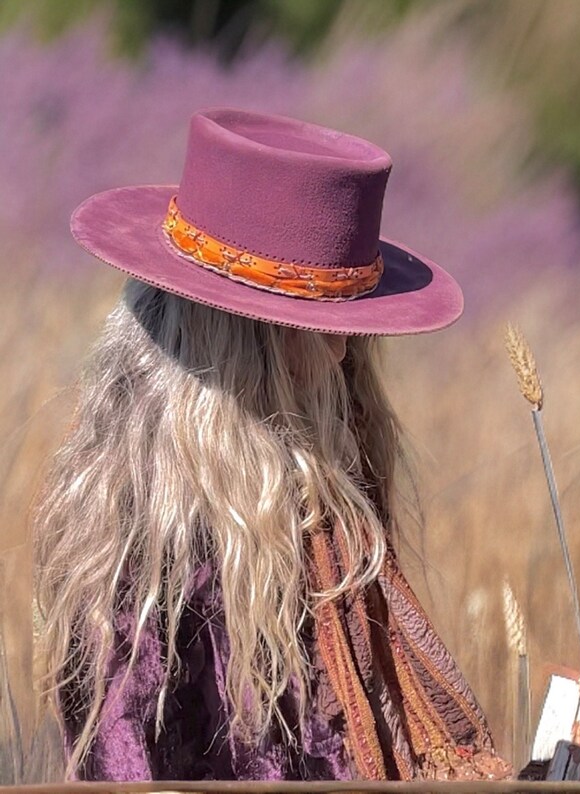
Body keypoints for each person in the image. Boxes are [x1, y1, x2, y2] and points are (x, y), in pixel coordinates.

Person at [33, 109, 511, 782]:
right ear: (235, 346)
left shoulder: (302, 514)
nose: (344, 351)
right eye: (315, 328)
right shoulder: (161, 548)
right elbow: (127, 758)